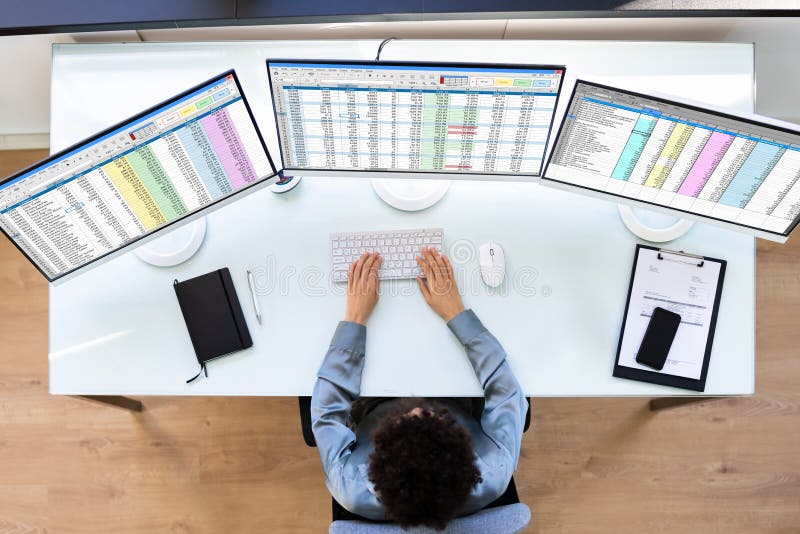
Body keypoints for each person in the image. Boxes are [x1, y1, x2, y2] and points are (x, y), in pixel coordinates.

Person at [311, 247, 528, 530]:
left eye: (402, 421)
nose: (416, 406)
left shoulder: (351, 487)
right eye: (432, 418)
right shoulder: (494, 471)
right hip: (456, 399)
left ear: (376, 461)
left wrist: (354, 318)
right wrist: (456, 312)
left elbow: (326, 412)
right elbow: (507, 391)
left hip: (371, 408)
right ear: (469, 457)